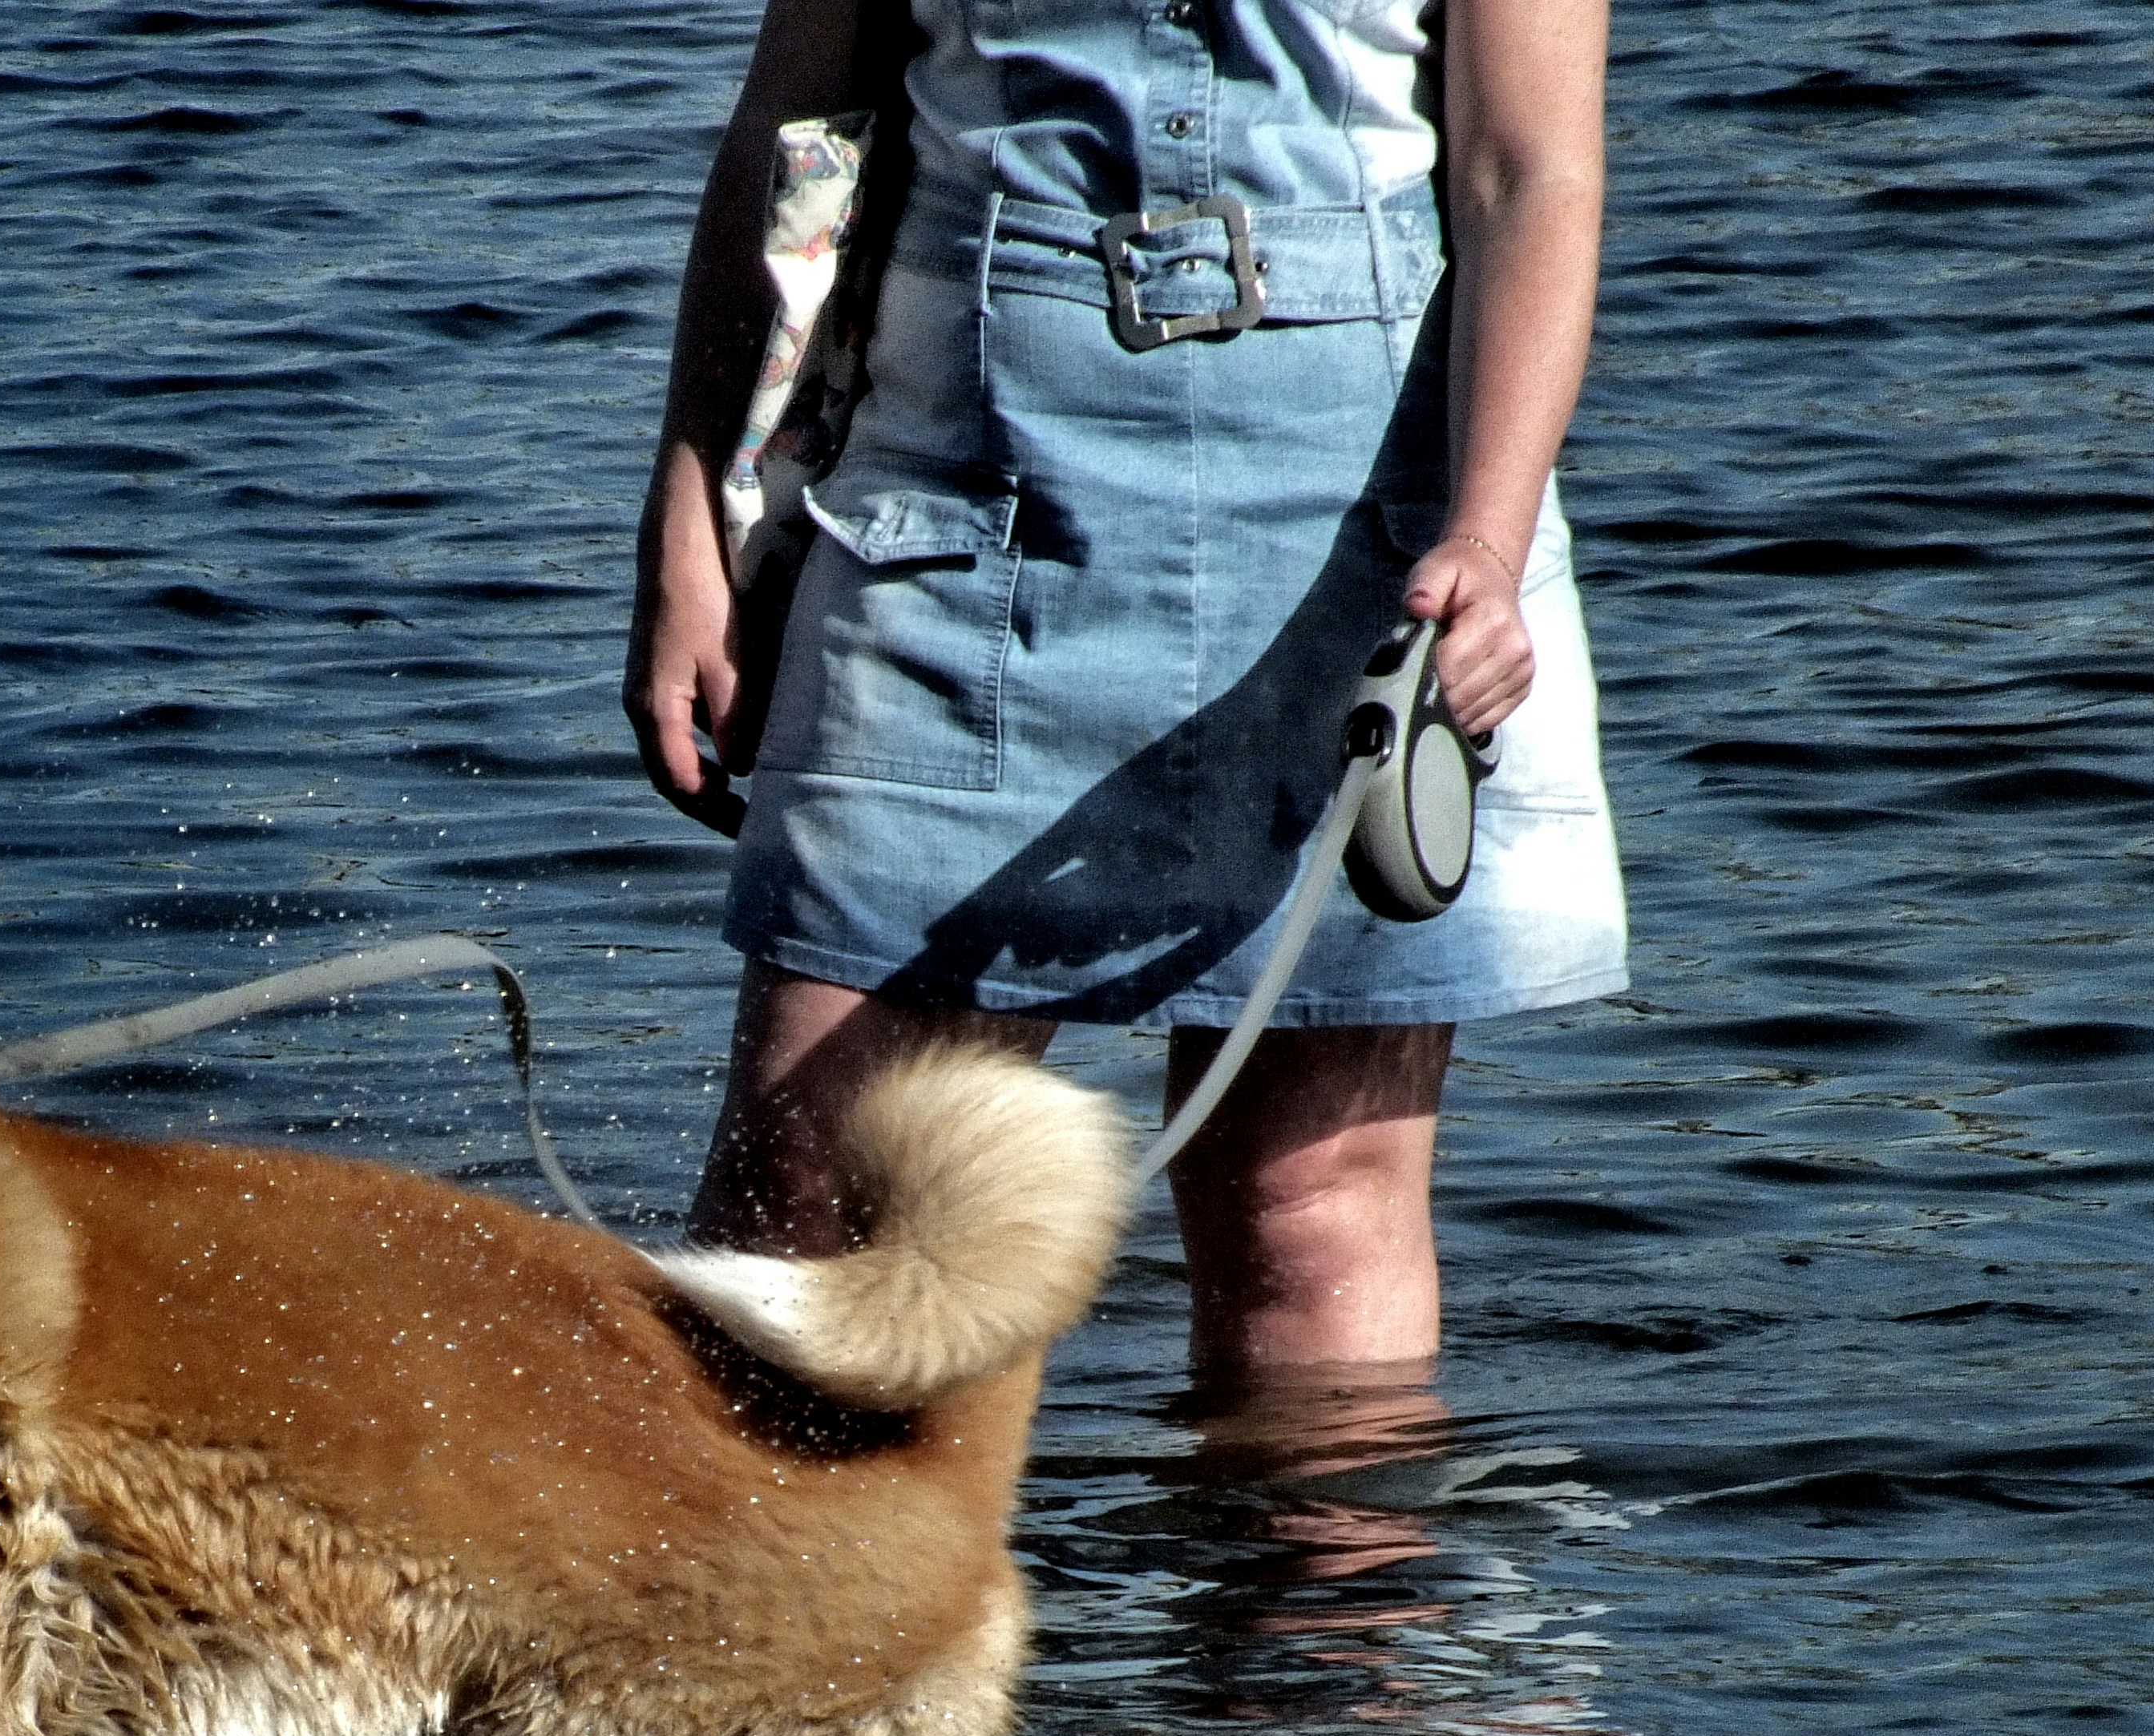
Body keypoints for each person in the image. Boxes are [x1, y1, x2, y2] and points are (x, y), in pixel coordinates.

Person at [628, 0, 1621, 1386]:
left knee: (1310, 1217)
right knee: (805, 1201)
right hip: (964, 477)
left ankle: (1304, 1607)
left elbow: (1528, 172)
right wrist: (693, 515)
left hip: (1369, 505)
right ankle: (769, 1604)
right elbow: (797, 128)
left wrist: (1489, 540)